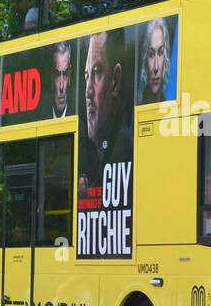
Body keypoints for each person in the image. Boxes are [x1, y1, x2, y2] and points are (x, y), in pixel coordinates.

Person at [78, 28, 133, 198]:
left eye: (96, 73)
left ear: (115, 82)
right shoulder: (100, 150)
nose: (88, 92)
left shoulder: (123, 151)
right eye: (87, 76)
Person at [138, 18, 173, 105]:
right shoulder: (136, 111)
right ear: (144, 60)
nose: (156, 67)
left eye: (161, 53)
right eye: (151, 54)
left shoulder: (171, 110)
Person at [50, 42, 73, 119]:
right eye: (57, 75)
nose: (61, 86)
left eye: (65, 74)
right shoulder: (38, 121)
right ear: (51, 78)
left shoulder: (80, 127)